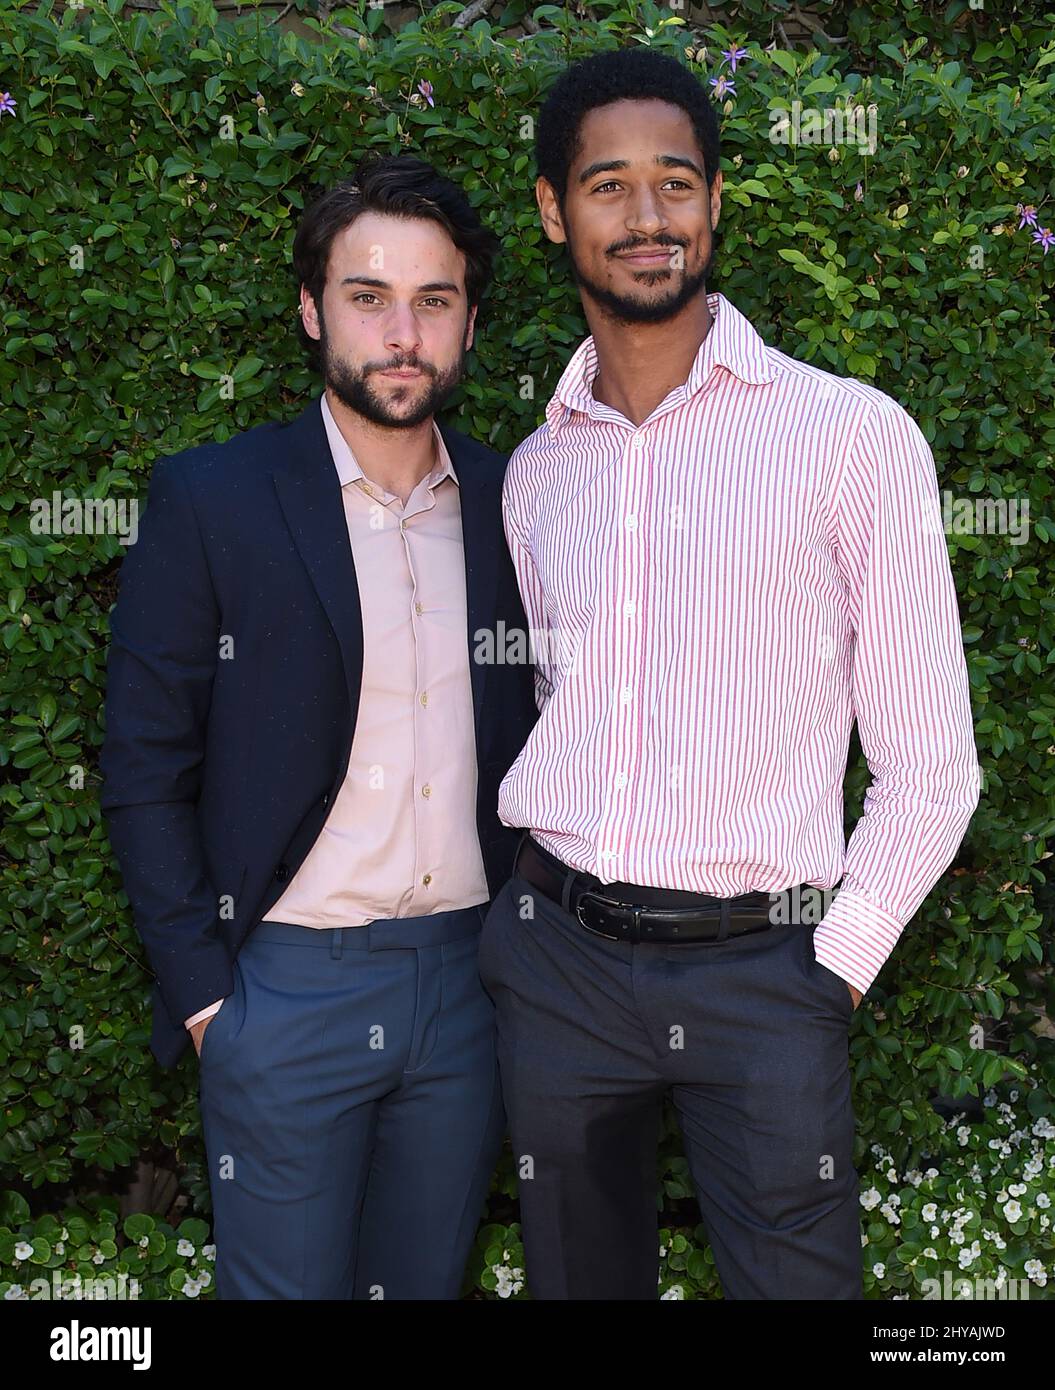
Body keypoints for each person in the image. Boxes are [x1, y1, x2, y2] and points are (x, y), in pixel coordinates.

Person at [479, 47, 981, 1300]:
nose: (647, 218)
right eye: (607, 186)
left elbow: (931, 765)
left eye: (675, 183)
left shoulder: (850, 436)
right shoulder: (538, 472)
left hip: (769, 972)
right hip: (559, 965)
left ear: (713, 203)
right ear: (553, 211)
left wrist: (837, 961)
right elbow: (553, 703)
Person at [100, 154, 537, 1299]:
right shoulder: (213, 498)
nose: (402, 331)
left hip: (466, 983)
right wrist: (207, 999)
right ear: (309, 309)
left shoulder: (523, 503)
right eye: (367, 296)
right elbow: (145, 765)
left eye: (433, 301)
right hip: (282, 987)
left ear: (469, 324)